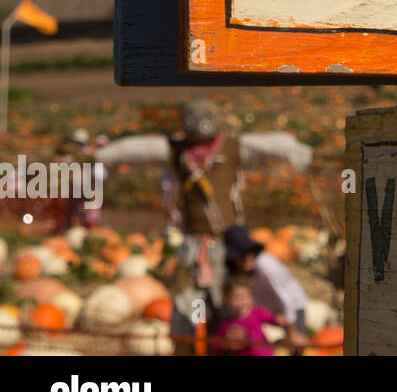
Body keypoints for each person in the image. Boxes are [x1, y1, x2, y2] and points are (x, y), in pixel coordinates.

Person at [94, 100, 312, 351]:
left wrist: (304, 154)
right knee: (186, 308)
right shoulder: (177, 151)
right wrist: (100, 155)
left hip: (228, 244)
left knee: (228, 309)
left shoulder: (233, 146)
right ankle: (185, 349)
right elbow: (137, 149)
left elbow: (274, 144)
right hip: (193, 245)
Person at [224, 224, 311, 351]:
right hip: (266, 313)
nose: (248, 257)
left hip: (292, 309)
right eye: (242, 254)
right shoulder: (230, 275)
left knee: (296, 347)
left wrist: (292, 331)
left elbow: (286, 297)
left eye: (250, 252)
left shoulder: (266, 265)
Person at [214, 275, 279, 356]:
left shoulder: (258, 313)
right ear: (226, 299)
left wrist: (247, 336)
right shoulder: (226, 324)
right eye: (236, 297)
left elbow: (277, 322)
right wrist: (226, 342)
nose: (242, 301)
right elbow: (215, 345)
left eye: (245, 297)